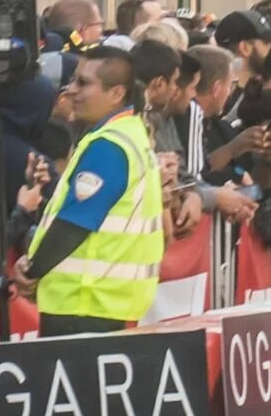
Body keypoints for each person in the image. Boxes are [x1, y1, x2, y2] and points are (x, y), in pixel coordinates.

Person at [11, 47, 165, 337]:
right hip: (103, 304)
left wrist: (33, 271)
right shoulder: (129, 135)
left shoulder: (109, 145)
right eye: (73, 80)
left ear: (117, 93)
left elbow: (75, 223)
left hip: (84, 304)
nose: (71, 90)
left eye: (83, 83)